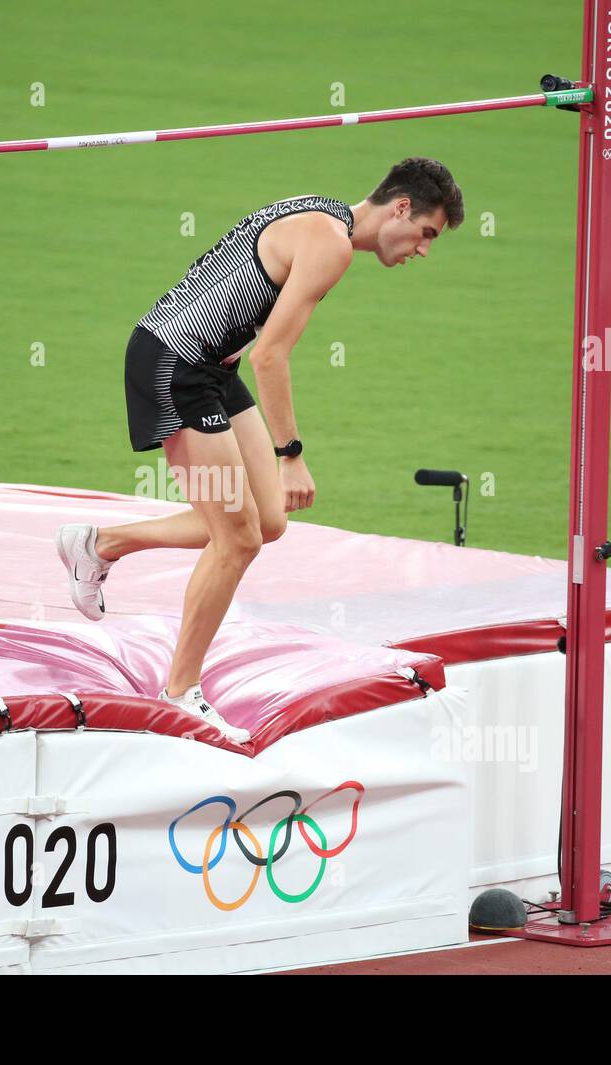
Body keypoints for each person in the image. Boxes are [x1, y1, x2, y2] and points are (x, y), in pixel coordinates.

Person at [56, 157, 464, 743]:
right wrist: (290, 452)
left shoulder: (324, 215)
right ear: (401, 208)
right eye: (427, 233)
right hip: (179, 361)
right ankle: (179, 693)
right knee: (237, 538)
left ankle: (98, 544)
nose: (423, 250)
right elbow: (269, 355)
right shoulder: (332, 245)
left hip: (212, 363)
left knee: (266, 519)